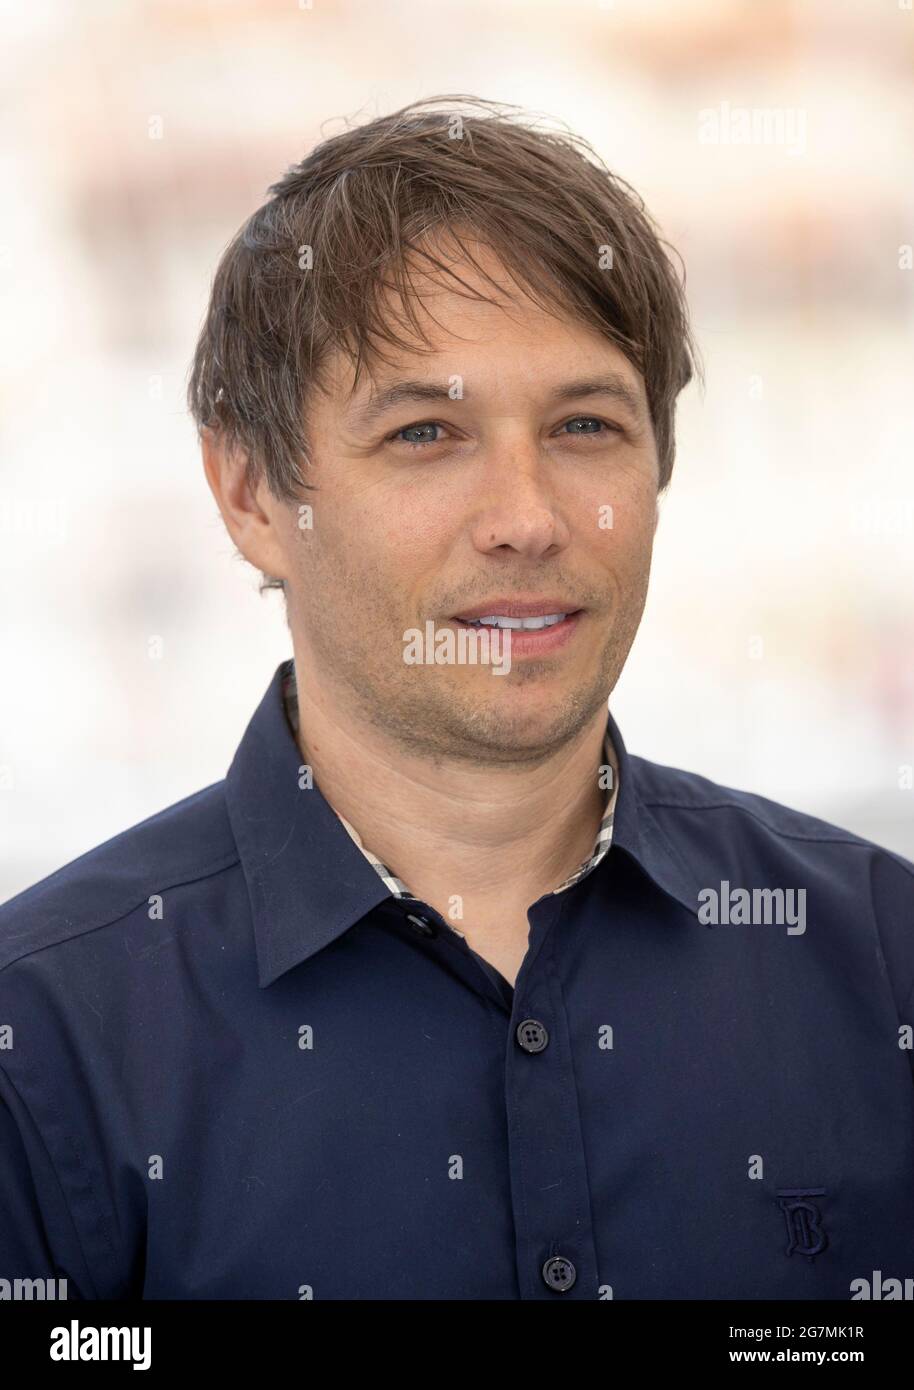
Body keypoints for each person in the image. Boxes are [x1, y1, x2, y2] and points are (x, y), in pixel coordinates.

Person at [1, 96, 912, 1302]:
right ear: (251, 494)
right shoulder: (47, 1039)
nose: (527, 519)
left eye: (585, 424)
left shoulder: (880, 961)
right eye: (426, 431)